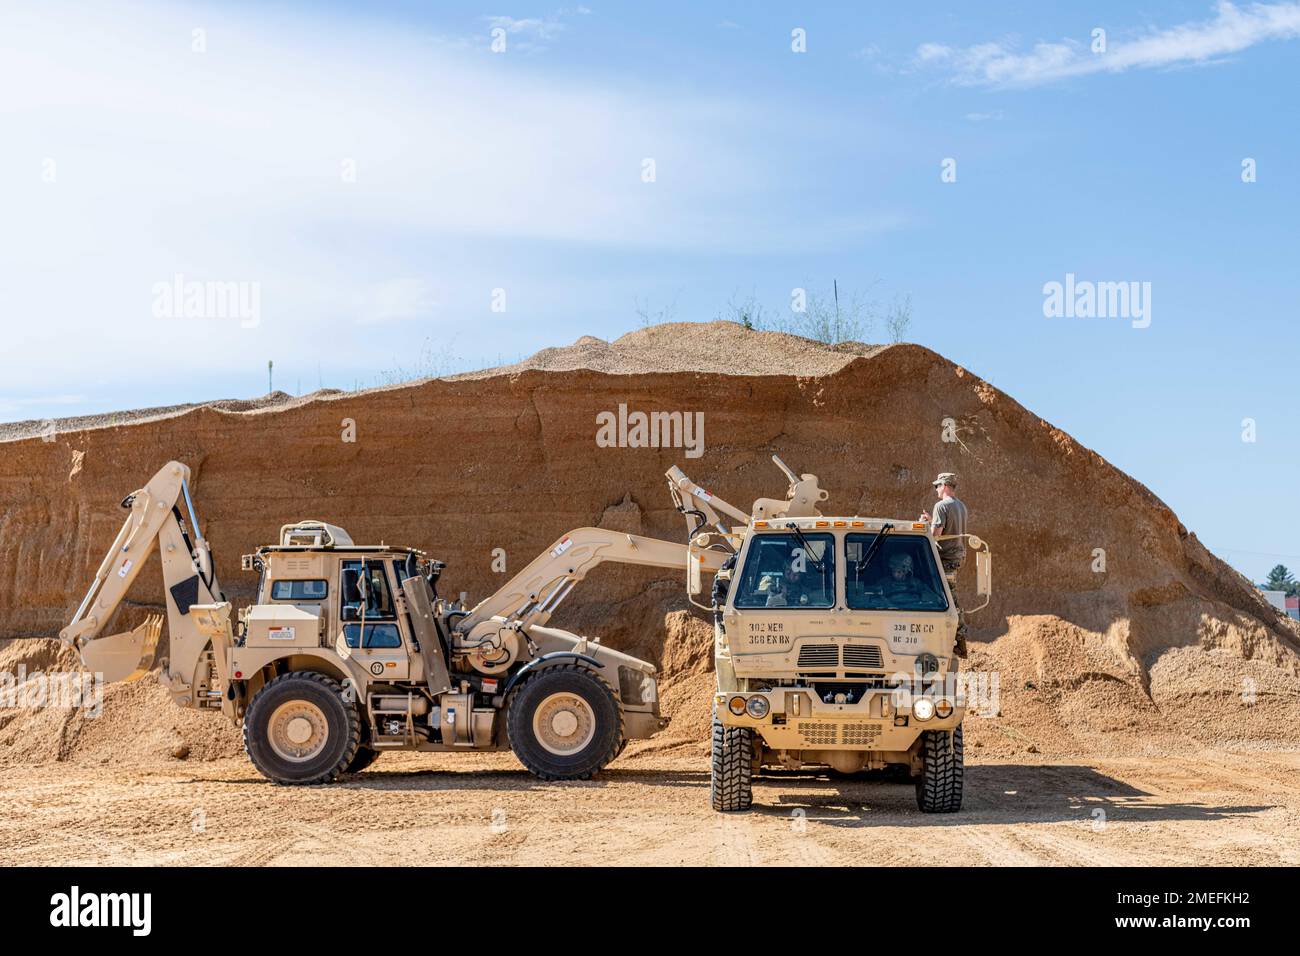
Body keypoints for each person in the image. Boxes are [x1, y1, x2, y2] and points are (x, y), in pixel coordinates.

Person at [921, 472, 969, 657]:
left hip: (945, 558)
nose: (936, 489)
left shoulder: (941, 506)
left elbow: (935, 535)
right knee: (949, 597)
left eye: (937, 486)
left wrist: (926, 525)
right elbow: (950, 529)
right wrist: (932, 521)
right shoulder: (961, 506)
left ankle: (959, 641)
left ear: (945, 485)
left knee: (950, 601)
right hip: (956, 556)